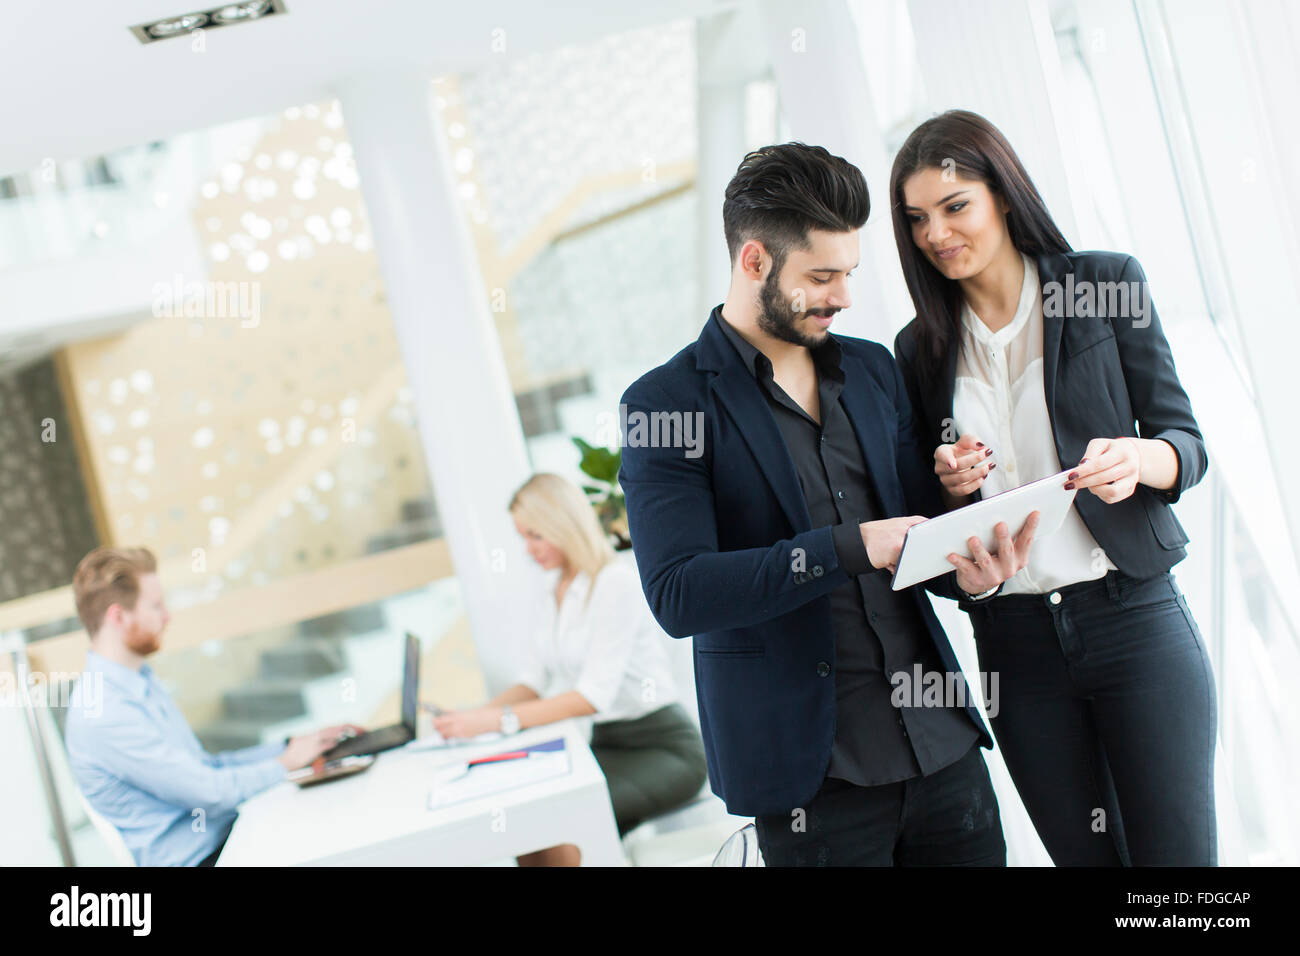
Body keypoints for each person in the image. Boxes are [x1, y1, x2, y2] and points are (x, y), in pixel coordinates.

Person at [618, 142, 1038, 867]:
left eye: (848, 273)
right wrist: (849, 546)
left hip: (941, 749)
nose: (842, 296)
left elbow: (916, 543)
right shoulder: (666, 404)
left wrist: (967, 564)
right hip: (809, 784)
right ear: (754, 262)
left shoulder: (873, 369)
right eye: (820, 277)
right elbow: (679, 593)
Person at [890, 110, 1217, 865]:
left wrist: (1139, 460)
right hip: (1016, 649)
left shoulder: (1104, 285)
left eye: (954, 206)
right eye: (916, 219)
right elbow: (934, 530)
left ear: (1002, 194)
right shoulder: (920, 349)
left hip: (1133, 621)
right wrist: (950, 492)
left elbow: (1187, 446)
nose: (935, 233)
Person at [432, 473, 707, 866]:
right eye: (522, 537)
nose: (528, 549)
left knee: (555, 823)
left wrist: (496, 722)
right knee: (526, 824)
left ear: (563, 525)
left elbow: (590, 698)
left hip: (663, 748)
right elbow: (532, 680)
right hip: (607, 745)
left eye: (535, 535)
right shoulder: (553, 588)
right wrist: (471, 718)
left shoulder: (614, 584)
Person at [63, 546, 358, 866]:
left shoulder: (139, 680)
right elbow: (209, 793)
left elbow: (206, 768)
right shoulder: (106, 712)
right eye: (156, 606)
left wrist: (290, 748)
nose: (167, 616)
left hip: (222, 840)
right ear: (118, 617)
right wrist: (286, 763)